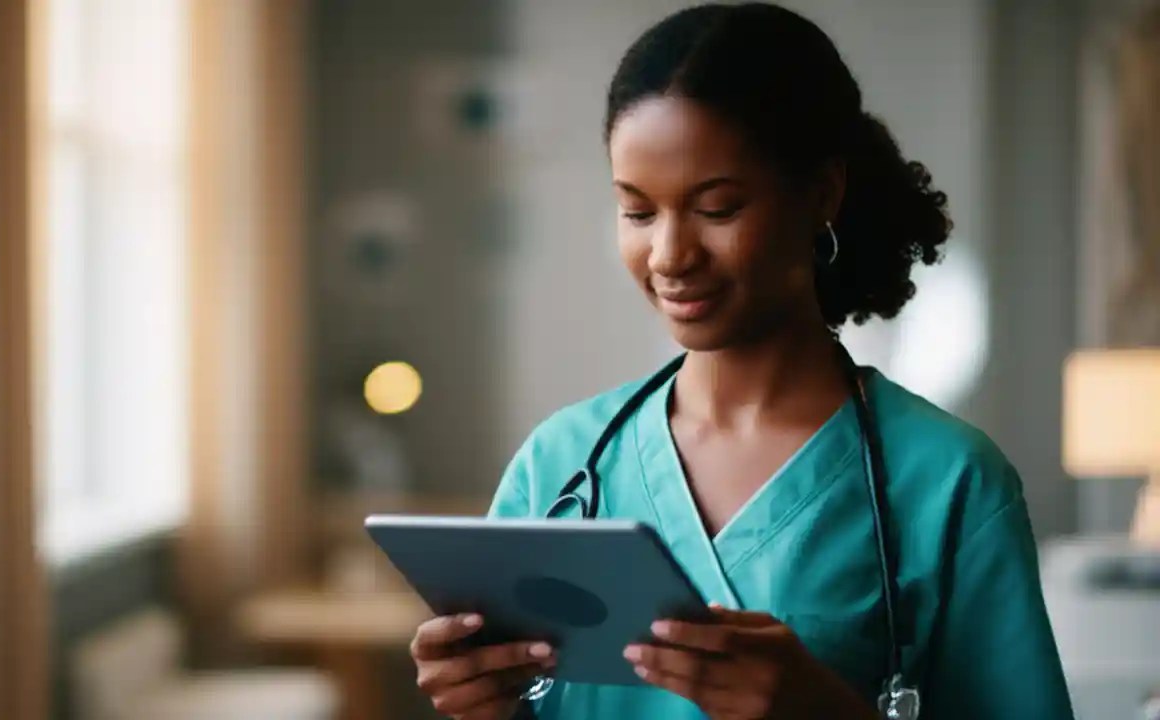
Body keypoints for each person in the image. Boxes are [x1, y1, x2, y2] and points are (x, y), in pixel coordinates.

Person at [406, 3, 1075, 718]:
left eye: (717, 208)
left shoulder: (948, 483)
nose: (669, 256)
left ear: (821, 193)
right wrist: (479, 707)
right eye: (638, 212)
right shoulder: (560, 464)